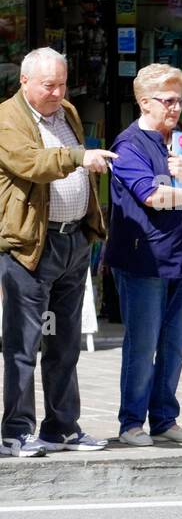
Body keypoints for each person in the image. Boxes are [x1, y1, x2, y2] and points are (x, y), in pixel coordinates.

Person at [0, 47, 117, 457]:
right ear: (25, 82)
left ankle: (62, 426)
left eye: (62, 83)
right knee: (23, 343)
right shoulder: (6, 119)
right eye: (48, 84)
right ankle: (15, 431)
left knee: (64, 343)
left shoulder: (65, 111)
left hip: (72, 241)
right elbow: (33, 164)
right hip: (31, 245)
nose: (57, 91)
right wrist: (80, 156)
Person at [104, 63, 182, 447]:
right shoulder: (128, 145)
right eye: (168, 100)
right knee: (143, 344)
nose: (176, 107)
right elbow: (151, 196)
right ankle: (131, 423)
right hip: (145, 261)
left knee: (173, 344)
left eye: (179, 100)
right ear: (144, 102)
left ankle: (166, 419)